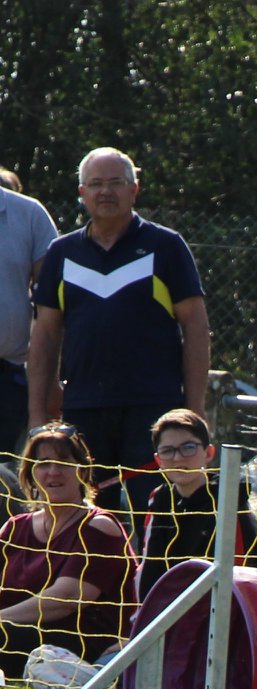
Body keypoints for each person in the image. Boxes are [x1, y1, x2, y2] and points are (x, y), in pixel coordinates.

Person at [27, 147, 210, 523]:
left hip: (154, 409)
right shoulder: (61, 253)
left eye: (115, 183)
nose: (105, 192)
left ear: (134, 189)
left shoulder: (166, 246)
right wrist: (36, 415)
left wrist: (192, 410)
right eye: (95, 184)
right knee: (85, 523)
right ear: (82, 193)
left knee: (160, 520)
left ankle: (158, 585)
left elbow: (196, 327)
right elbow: (44, 335)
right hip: (83, 410)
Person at [0, 425, 136, 680]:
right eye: (43, 463)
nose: (53, 472)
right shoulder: (15, 527)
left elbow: (66, 599)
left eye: (64, 462)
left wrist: (1, 619)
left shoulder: (99, 526)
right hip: (20, 636)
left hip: (80, 647)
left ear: (81, 469)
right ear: (30, 472)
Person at [134, 409, 257, 604]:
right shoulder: (159, 499)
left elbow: (241, 571)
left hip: (220, 611)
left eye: (188, 447)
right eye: (167, 451)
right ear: (158, 460)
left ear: (208, 453)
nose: (177, 458)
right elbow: (150, 567)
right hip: (168, 611)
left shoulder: (229, 498)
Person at [0, 169, 56, 459]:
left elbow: (53, 311)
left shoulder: (29, 214)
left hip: (8, 379)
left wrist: (50, 384)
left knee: (3, 484)